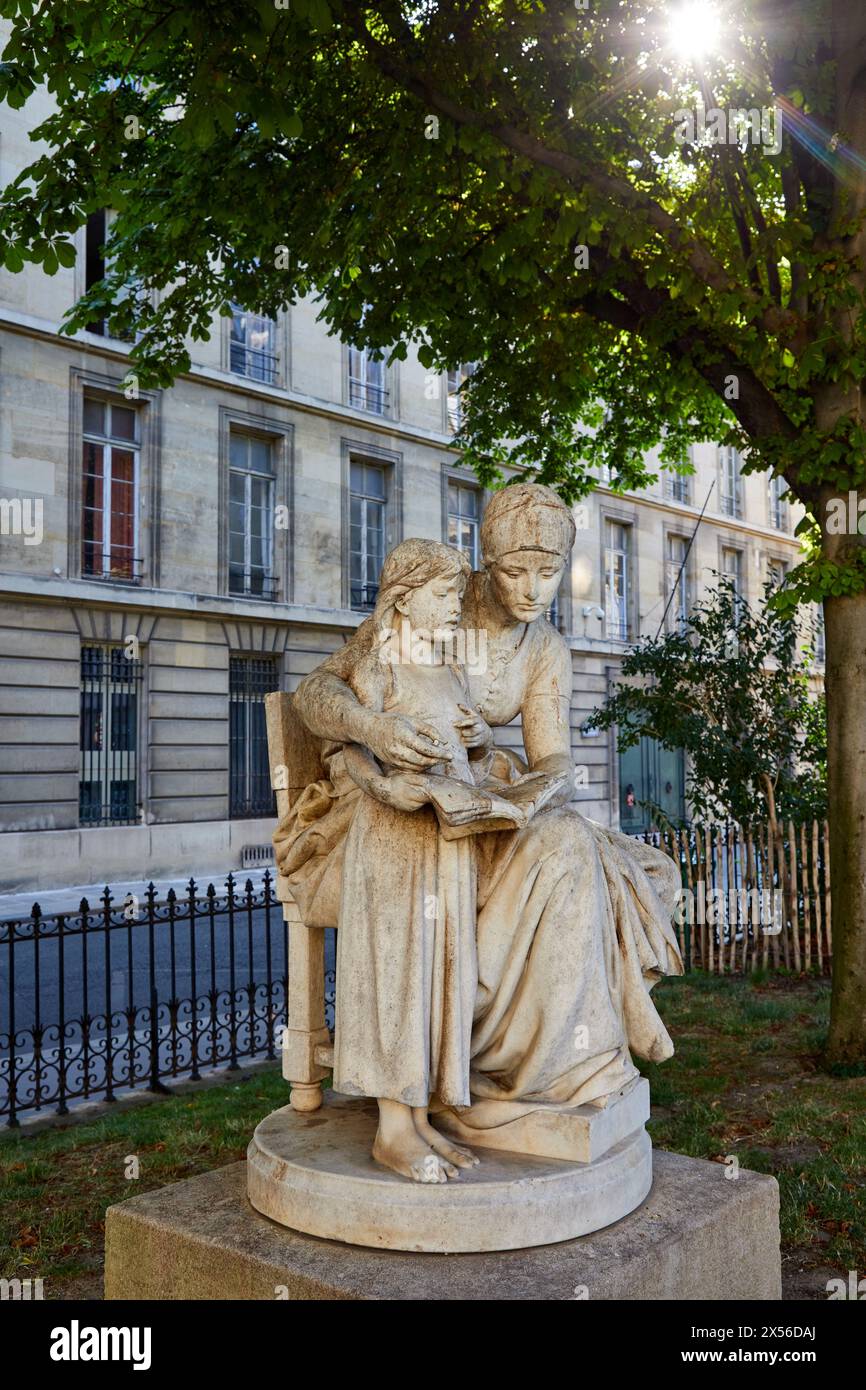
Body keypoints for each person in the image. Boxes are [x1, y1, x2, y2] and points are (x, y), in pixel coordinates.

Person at [276, 482, 683, 1154]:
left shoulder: (546, 648)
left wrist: (514, 784)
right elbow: (318, 691)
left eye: (549, 575)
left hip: (481, 797)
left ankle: (544, 1064)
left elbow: (551, 759)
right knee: (567, 855)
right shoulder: (434, 598)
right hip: (405, 809)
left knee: (617, 861)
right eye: (516, 572)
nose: (533, 591)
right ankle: (510, 1062)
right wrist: (372, 728)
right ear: (484, 564)